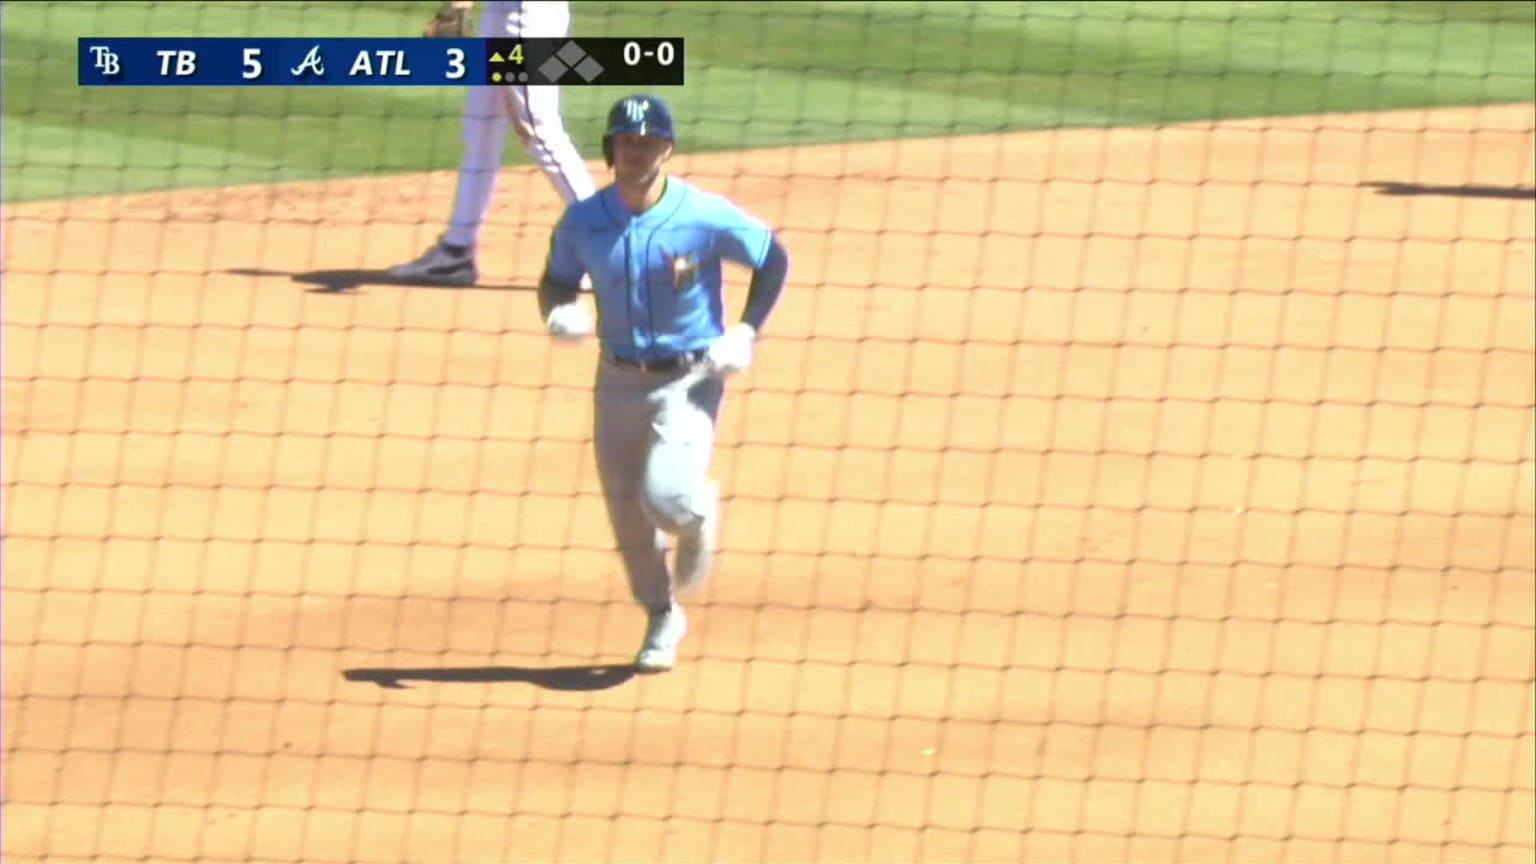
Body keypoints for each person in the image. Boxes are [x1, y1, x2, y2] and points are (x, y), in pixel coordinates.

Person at [536, 94, 791, 673]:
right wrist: (557, 311)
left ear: (667, 149)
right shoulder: (585, 221)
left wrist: (747, 331)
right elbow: (554, 281)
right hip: (616, 381)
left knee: (666, 497)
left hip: (690, 378)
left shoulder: (701, 214)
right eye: (627, 141)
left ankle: (696, 512)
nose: (637, 152)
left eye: (649, 142)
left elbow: (772, 257)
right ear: (611, 150)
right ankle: (661, 616)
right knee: (627, 516)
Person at [391, 0, 597, 286]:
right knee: (481, 128)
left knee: (539, 129)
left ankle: (617, 246)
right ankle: (457, 251)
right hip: (500, 14)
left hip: (527, 17)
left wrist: (458, 4)